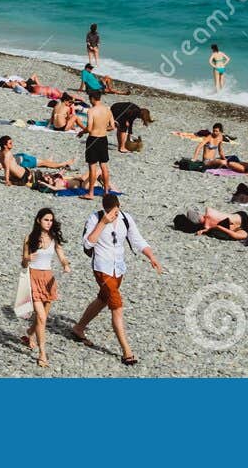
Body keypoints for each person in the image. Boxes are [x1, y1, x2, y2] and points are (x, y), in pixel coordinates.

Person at [71, 194, 162, 366]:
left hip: (118, 268)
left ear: (119, 207)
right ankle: (127, 351)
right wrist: (103, 223)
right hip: (101, 268)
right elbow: (87, 244)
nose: (112, 214)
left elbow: (137, 239)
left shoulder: (126, 218)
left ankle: (78, 328)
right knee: (117, 306)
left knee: (103, 299)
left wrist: (151, 256)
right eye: (108, 211)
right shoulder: (95, 218)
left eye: (114, 211)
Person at [20, 208, 72, 368]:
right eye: (46, 220)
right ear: (38, 221)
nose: (49, 223)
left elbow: (61, 256)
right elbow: (23, 262)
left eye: (51, 220)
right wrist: (27, 258)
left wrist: (65, 265)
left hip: (48, 279)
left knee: (41, 318)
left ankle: (30, 334)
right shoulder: (30, 238)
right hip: (33, 277)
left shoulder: (54, 238)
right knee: (42, 317)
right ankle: (42, 354)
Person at [81, 91, 114, 199]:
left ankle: (91, 193)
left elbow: (89, 128)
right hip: (103, 139)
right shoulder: (108, 110)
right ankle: (106, 191)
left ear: (92, 99)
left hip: (93, 139)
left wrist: (82, 132)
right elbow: (112, 126)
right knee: (104, 166)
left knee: (92, 167)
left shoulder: (91, 111)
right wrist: (103, 128)